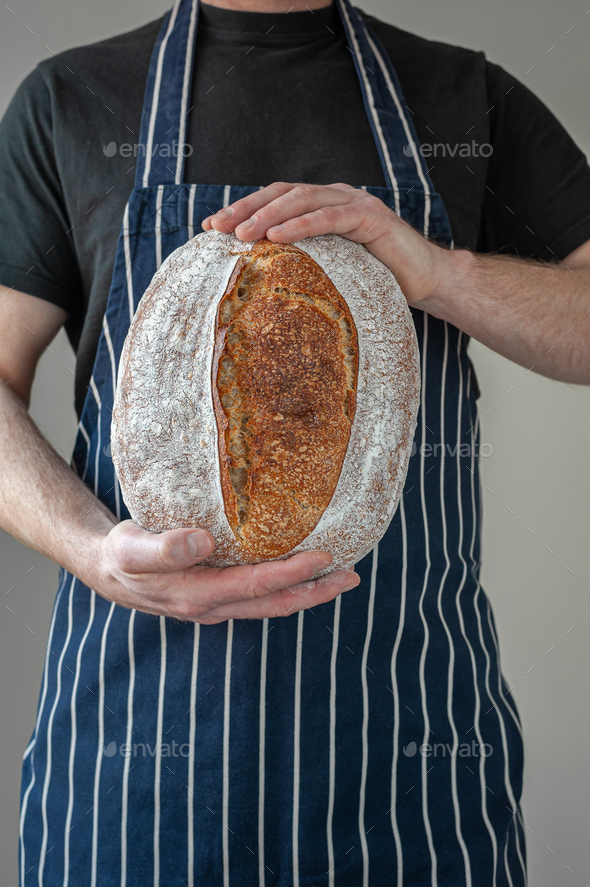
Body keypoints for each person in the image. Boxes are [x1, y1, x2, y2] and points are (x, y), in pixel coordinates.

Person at [1, 0, 589, 883]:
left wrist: (440, 271)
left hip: (405, 762)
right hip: (135, 763)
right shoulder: (70, 100)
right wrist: (93, 549)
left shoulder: (467, 98)